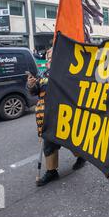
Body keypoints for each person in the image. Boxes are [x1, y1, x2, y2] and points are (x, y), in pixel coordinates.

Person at [27, 48, 86, 187]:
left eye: (52, 56)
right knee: (48, 143)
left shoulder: (69, 71)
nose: (49, 59)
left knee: (70, 140)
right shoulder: (42, 73)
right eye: (47, 57)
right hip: (46, 114)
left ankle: (81, 157)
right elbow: (35, 91)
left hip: (65, 114)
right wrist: (31, 85)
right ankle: (52, 171)